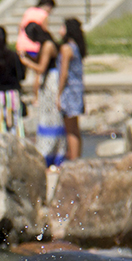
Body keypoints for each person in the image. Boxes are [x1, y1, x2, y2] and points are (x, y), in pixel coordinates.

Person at [26, 23, 64, 168]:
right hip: (47, 82)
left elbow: (41, 68)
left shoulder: (48, 45)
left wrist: (27, 62)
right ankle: (47, 151)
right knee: (46, 117)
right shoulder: (44, 45)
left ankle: (52, 153)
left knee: (52, 117)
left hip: (51, 82)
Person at [56, 18, 87, 161]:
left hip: (69, 91)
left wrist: (58, 94)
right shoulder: (76, 47)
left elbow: (63, 74)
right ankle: (78, 157)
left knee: (69, 129)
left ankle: (73, 160)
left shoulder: (66, 48)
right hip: (78, 90)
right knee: (75, 128)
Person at [16, 0, 56, 87]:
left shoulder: (29, 11)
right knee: (38, 71)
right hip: (35, 46)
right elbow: (45, 30)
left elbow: (20, 26)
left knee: (24, 70)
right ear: (48, 6)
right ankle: (37, 96)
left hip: (22, 44)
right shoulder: (44, 14)